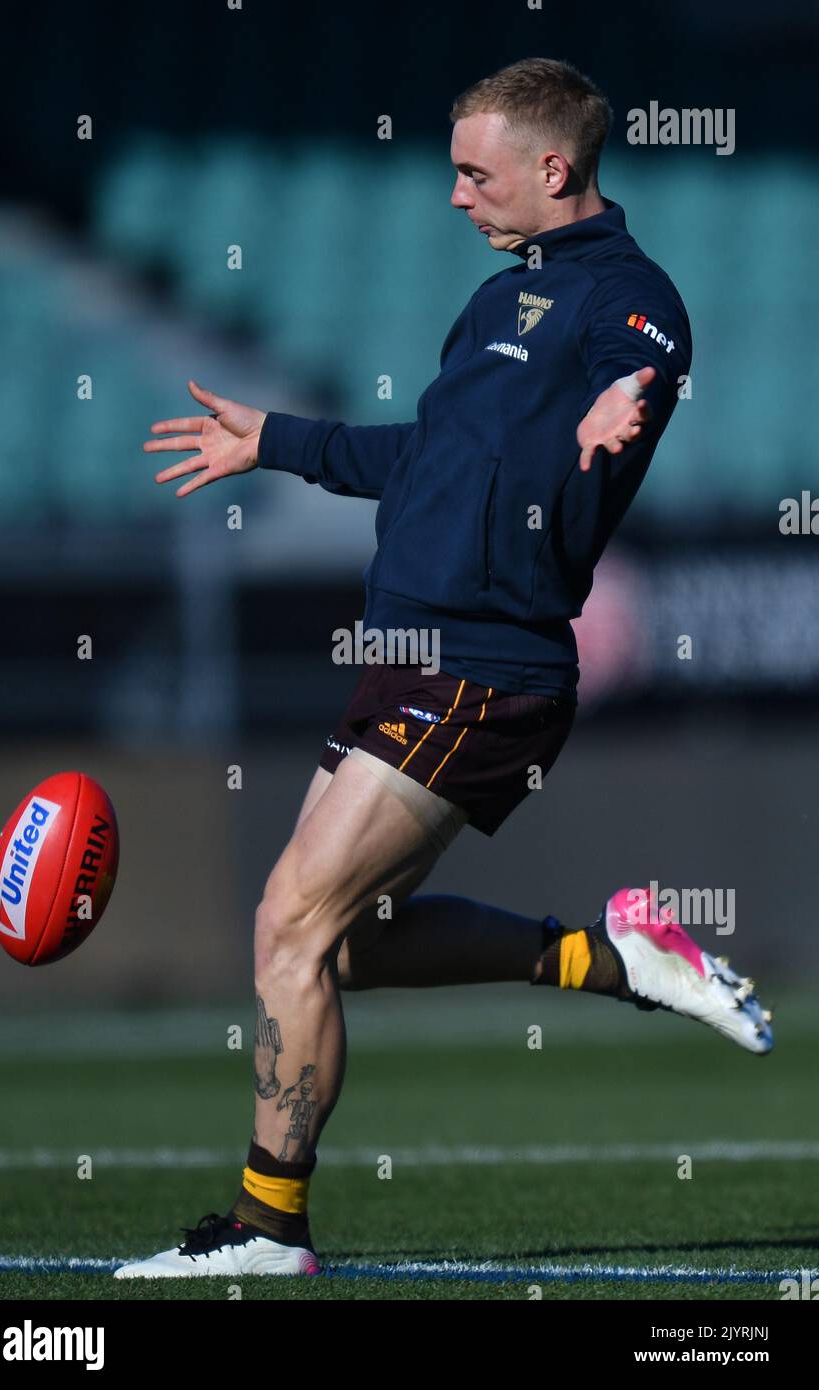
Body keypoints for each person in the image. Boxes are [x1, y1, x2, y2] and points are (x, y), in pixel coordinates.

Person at [115, 57, 771, 1281]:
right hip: (408, 655)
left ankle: (268, 1231)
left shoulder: (630, 297)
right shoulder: (494, 302)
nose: (456, 196)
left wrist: (611, 412)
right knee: (343, 942)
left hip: (482, 659)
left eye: (475, 172)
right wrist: (278, 441)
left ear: (551, 168)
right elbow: (430, 449)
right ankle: (608, 958)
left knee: (288, 928)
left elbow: (638, 373)